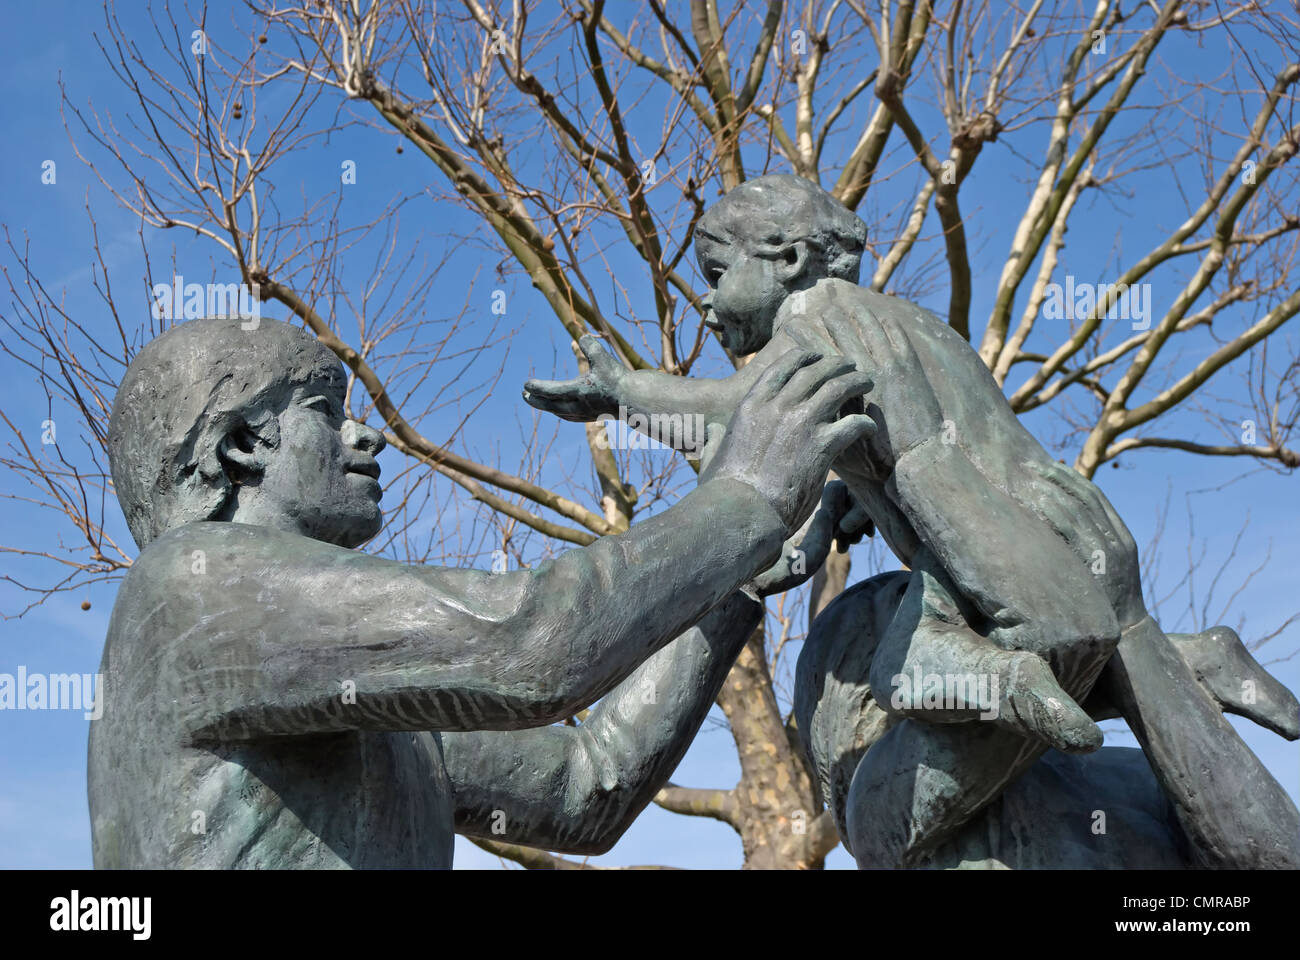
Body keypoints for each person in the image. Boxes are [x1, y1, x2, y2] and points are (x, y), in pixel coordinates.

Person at [523, 174, 1300, 868]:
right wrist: (835, 508)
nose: (705, 297)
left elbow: (734, 414)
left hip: (982, 552)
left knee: (902, 672)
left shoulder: (818, 320)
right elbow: (886, 434)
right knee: (1075, 656)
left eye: (717, 275)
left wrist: (620, 391)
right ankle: (1194, 658)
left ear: (789, 260)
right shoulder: (907, 326)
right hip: (1045, 523)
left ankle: (1009, 684)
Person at [89, 316, 872, 868]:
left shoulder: (376, 711)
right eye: (326, 412)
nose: (368, 434)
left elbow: (585, 786)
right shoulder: (187, 587)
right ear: (239, 447)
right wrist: (744, 496)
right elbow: (530, 644)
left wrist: (731, 578)